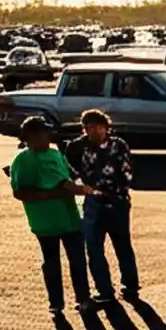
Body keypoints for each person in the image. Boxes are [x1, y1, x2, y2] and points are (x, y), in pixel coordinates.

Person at [8, 116, 94, 314]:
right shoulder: (24, 160)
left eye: (46, 132)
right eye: (40, 133)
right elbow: (20, 192)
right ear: (29, 138)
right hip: (45, 223)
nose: (45, 136)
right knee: (52, 262)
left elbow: (67, 178)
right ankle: (56, 303)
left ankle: (84, 299)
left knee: (78, 260)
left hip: (70, 218)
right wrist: (54, 193)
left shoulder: (55, 154)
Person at [63, 109, 139, 303]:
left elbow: (126, 174)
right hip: (92, 202)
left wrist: (105, 188)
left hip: (118, 201)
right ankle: (104, 291)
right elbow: (69, 172)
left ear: (107, 127)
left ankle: (130, 285)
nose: (94, 131)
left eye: (98, 127)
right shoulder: (77, 147)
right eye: (89, 128)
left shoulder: (118, 145)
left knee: (122, 244)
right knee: (94, 248)